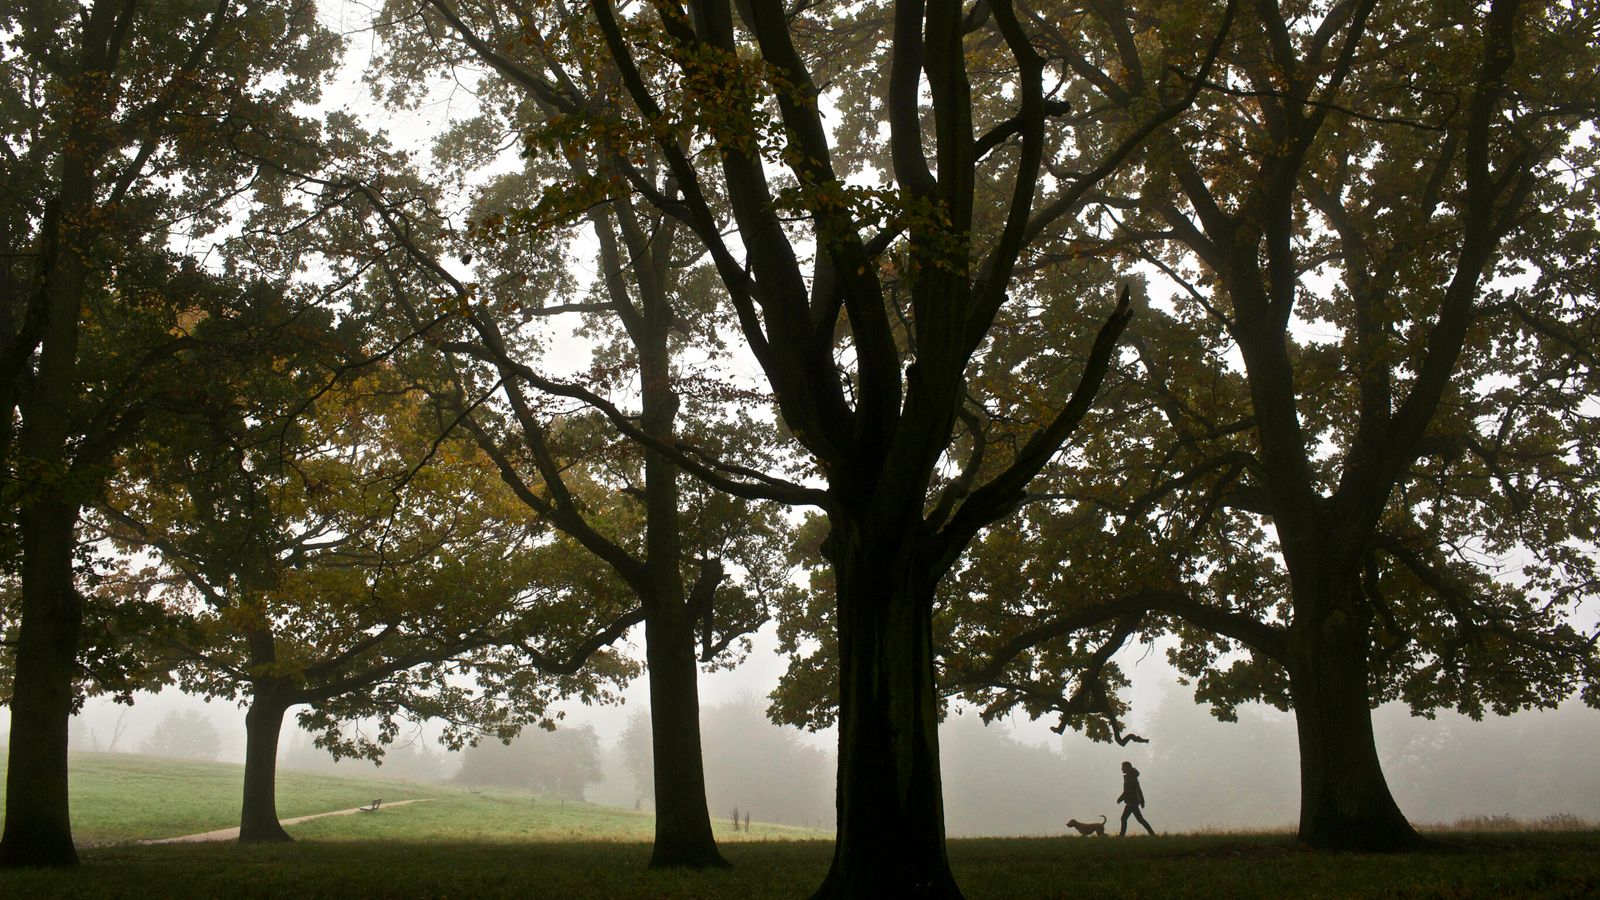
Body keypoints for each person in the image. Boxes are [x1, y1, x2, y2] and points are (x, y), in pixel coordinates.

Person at [1118, 761, 1156, 836]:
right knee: (1138, 819)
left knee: (1125, 818)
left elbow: (1127, 791)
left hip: (1131, 802)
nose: (1121, 769)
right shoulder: (1132, 776)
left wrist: (1120, 799)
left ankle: (1121, 836)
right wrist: (1142, 801)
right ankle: (1152, 834)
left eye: (1122, 767)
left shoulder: (1130, 777)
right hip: (1133, 801)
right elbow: (1139, 789)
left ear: (1126, 768)